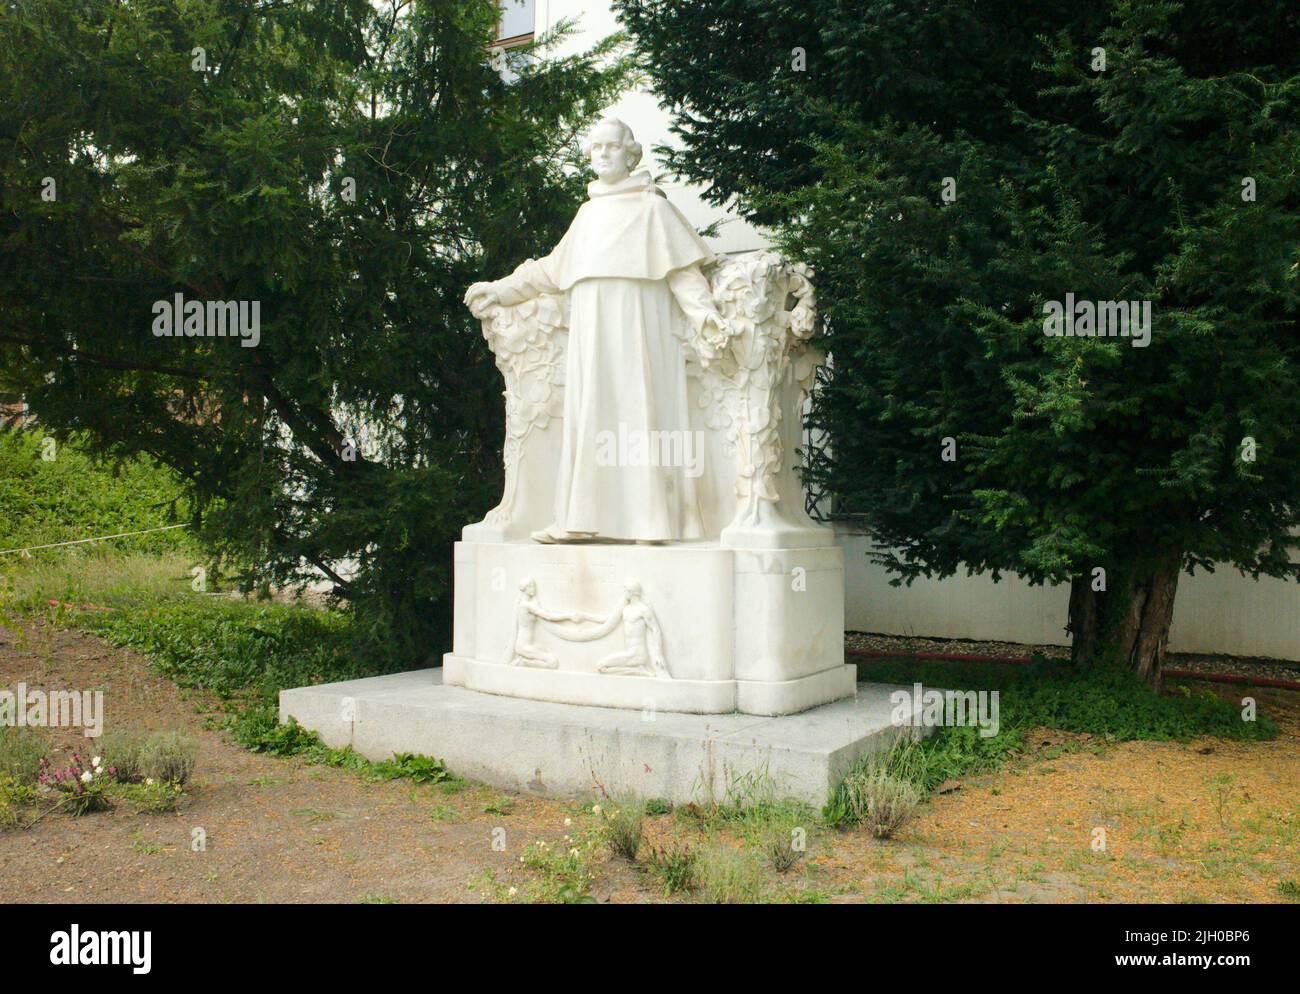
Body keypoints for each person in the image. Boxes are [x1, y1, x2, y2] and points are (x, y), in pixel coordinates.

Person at [465, 118, 732, 543]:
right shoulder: (588, 215)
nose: (603, 154)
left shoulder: (653, 209)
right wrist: (500, 290)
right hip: (592, 330)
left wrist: (704, 316)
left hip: (638, 325)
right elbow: (551, 271)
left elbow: (684, 274)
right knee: (590, 414)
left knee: (639, 411)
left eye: (612, 147)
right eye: (596, 148)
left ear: (631, 153)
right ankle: (579, 520)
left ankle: (651, 522)